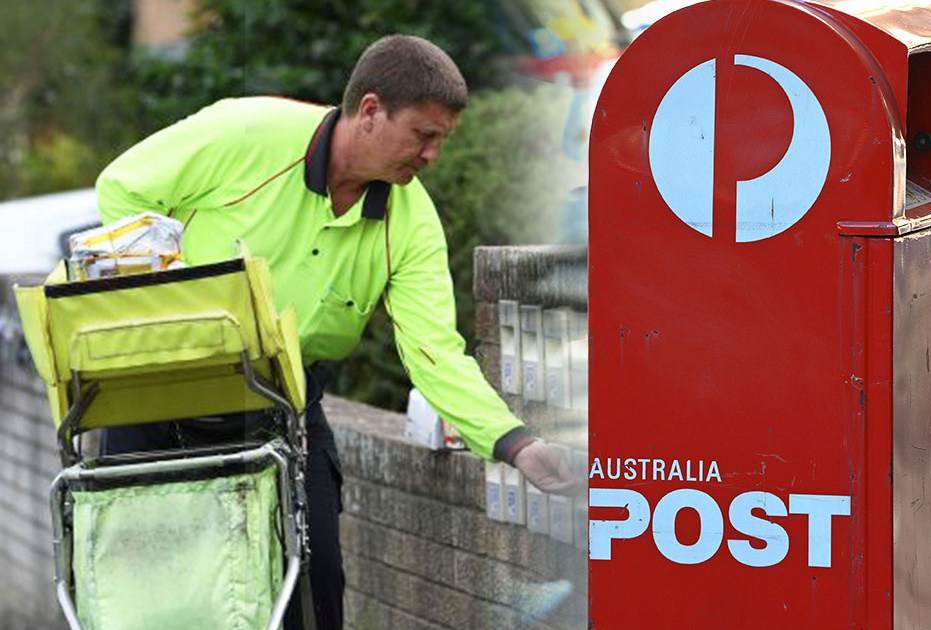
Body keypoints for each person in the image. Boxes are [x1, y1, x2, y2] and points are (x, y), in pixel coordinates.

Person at [94, 34, 577, 629]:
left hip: (285, 407)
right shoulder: (245, 134)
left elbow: (434, 353)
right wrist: (176, 309)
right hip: (163, 394)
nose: (432, 157)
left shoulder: (411, 221)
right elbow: (123, 186)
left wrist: (517, 445)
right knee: (155, 606)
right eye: (424, 136)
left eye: (441, 141)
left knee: (314, 592)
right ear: (371, 111)